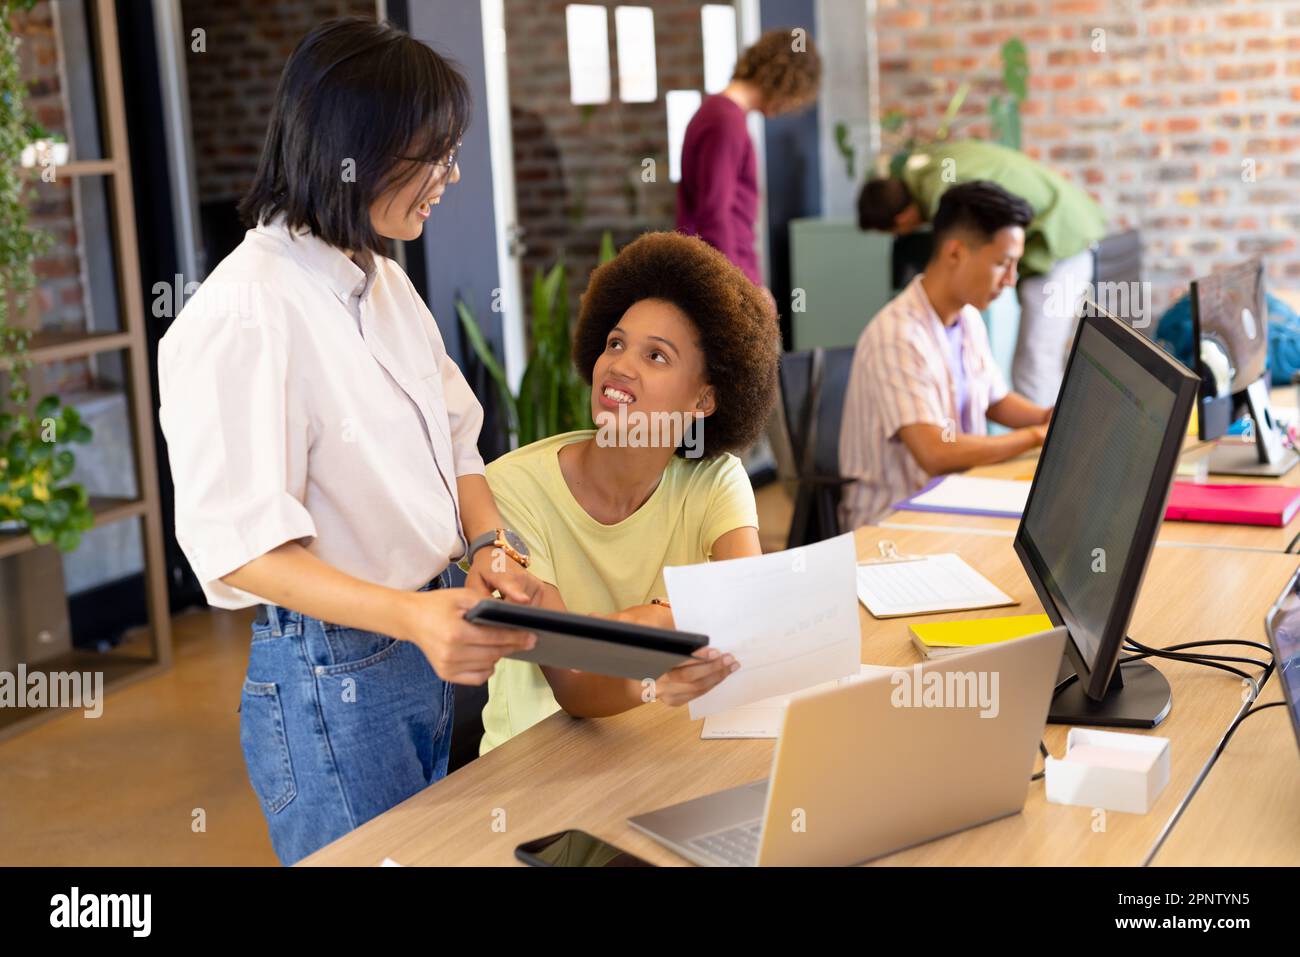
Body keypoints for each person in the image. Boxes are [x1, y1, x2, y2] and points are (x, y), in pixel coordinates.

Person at [157, 17, 544, 865]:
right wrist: (410, 614)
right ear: (355, 145)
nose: (447, 177)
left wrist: (489, 545)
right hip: (334, 675)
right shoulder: (244, 309)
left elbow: (459, 442)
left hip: (428, 632)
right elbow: (239, 546)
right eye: (432, 153)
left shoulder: (387, 282)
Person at [478, 231, 781, 753]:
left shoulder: (714, 482)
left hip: (652, 747)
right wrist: (670, 638)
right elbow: (571, 681)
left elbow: (745, 608)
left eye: (656, 356)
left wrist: (660, 622)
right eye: (615, 343)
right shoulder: (511, 488)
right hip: (530, 765)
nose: (619, 365)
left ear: (704, 398)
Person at [839, 181, 1054, 530]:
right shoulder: (897, 334)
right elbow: (935, 453)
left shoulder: (966, 316)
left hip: (954, 500)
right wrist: (1034, 437)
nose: (1011, 279)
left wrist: (1047, 417)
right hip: (893, 523)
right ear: (955, 253)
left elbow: (995, 400)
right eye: (1003, 263)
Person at [858, 139, 1107, 405]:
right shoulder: (919, 164)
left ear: (901, 221)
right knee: (1033, 360)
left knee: (1036, 358)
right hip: (1067, 220)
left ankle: (1050, 441)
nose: (1008, 282)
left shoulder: (941, 197)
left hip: (1063, 239)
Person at [677, 27, 821, 304]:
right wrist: (745, 290)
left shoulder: (721, 115)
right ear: (787, 82)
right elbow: (714, 214)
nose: (791, 107)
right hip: (723, 281)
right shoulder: (724, 121)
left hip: (724, 275)